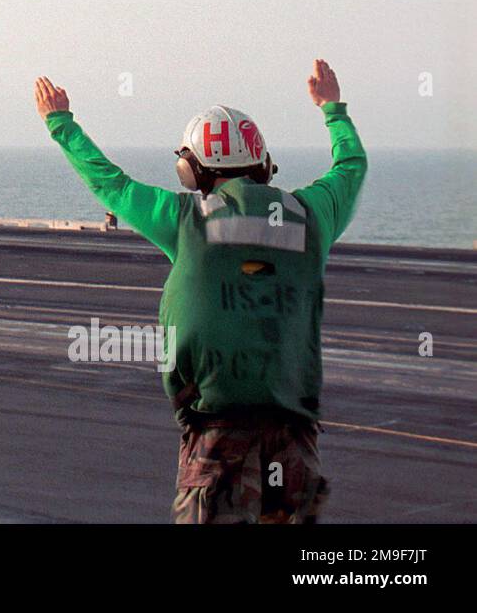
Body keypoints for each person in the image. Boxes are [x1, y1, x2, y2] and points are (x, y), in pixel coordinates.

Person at [34, 60, 366, 524]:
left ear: (191, 171)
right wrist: (333, 109)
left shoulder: (185, 220)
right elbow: (351, 166)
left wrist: (61, 123)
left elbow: (111, 185)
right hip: (295, 445)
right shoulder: (313, 215)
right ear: (263, 164)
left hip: (217, 443)